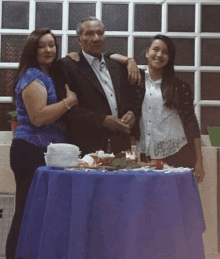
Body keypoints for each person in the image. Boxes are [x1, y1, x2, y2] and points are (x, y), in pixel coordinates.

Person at [6, 28, 78, 259]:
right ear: (32, 49)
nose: (48, 50)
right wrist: (68, 102)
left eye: (52, 45)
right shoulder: (32, 76)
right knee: (26, 212)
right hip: (30, 150)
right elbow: (37, 117)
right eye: (42, 46)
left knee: (40, 212)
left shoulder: (48, 73)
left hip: (43, 151)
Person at [109, 34, 205, 183]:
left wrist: (199, 161)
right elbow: (107, 56)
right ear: (147, 53)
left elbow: (192, 124)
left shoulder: (179, 87)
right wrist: (129, 60)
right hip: (146, 155)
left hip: (178, 153)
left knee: (173, 202)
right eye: (156, 49)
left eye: (165, 52)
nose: (159, 55)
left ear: (169, 58)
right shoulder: (136, 80)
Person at [54, 16, 140, 156]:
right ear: (78, 39)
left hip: (121, 147)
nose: (96, 38)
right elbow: (67, 110)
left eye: (100, 33)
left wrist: (132, 113)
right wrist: (102, 120)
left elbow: (134, 96)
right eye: (89, 34)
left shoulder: (117, 66)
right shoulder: (67, 66)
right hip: (87, 148)